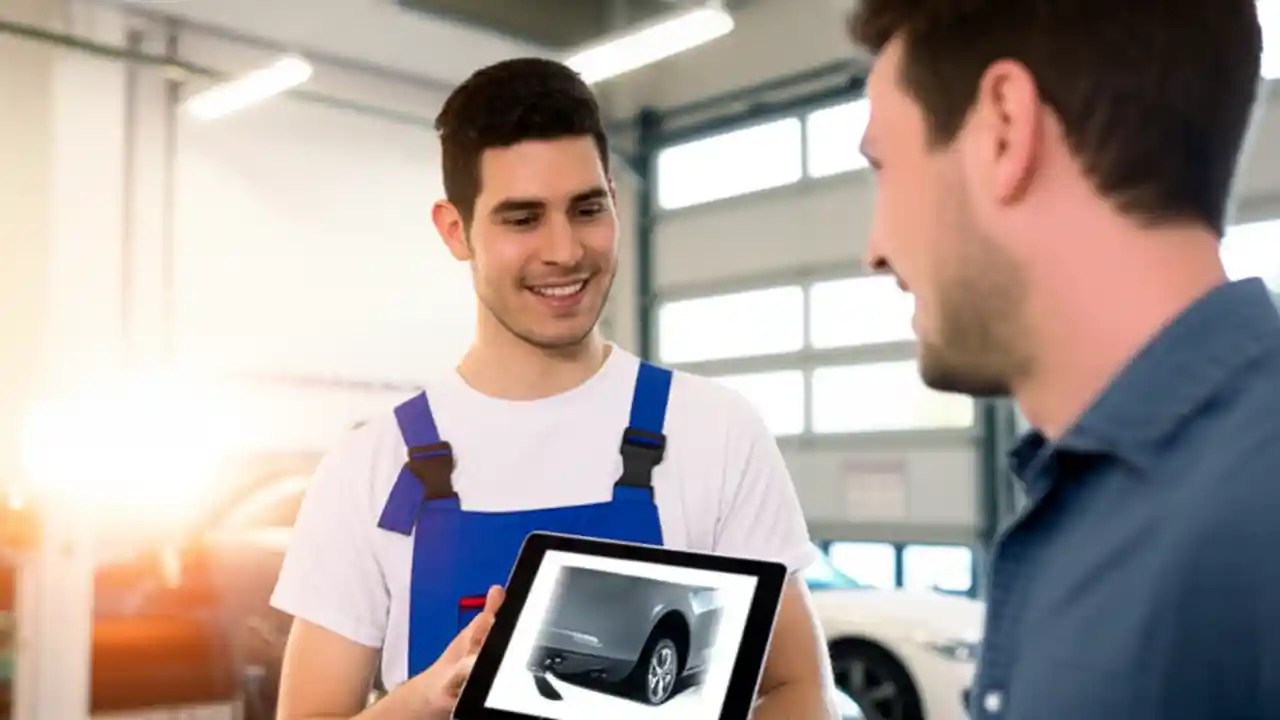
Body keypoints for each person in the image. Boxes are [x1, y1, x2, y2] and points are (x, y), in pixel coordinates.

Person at [268, 57, 840, 720]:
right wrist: (424, 700)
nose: (565, 250)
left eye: (586, 208)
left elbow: (797, 689)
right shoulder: (369, 467)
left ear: (615, 205)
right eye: (522, 218)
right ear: (456, 231)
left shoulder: (715, 431)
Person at [846, 1, 1280, 718]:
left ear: (1005, 130)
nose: (875, 249)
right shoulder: (1102, 499)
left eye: (883, 168)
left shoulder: (1250, 513)